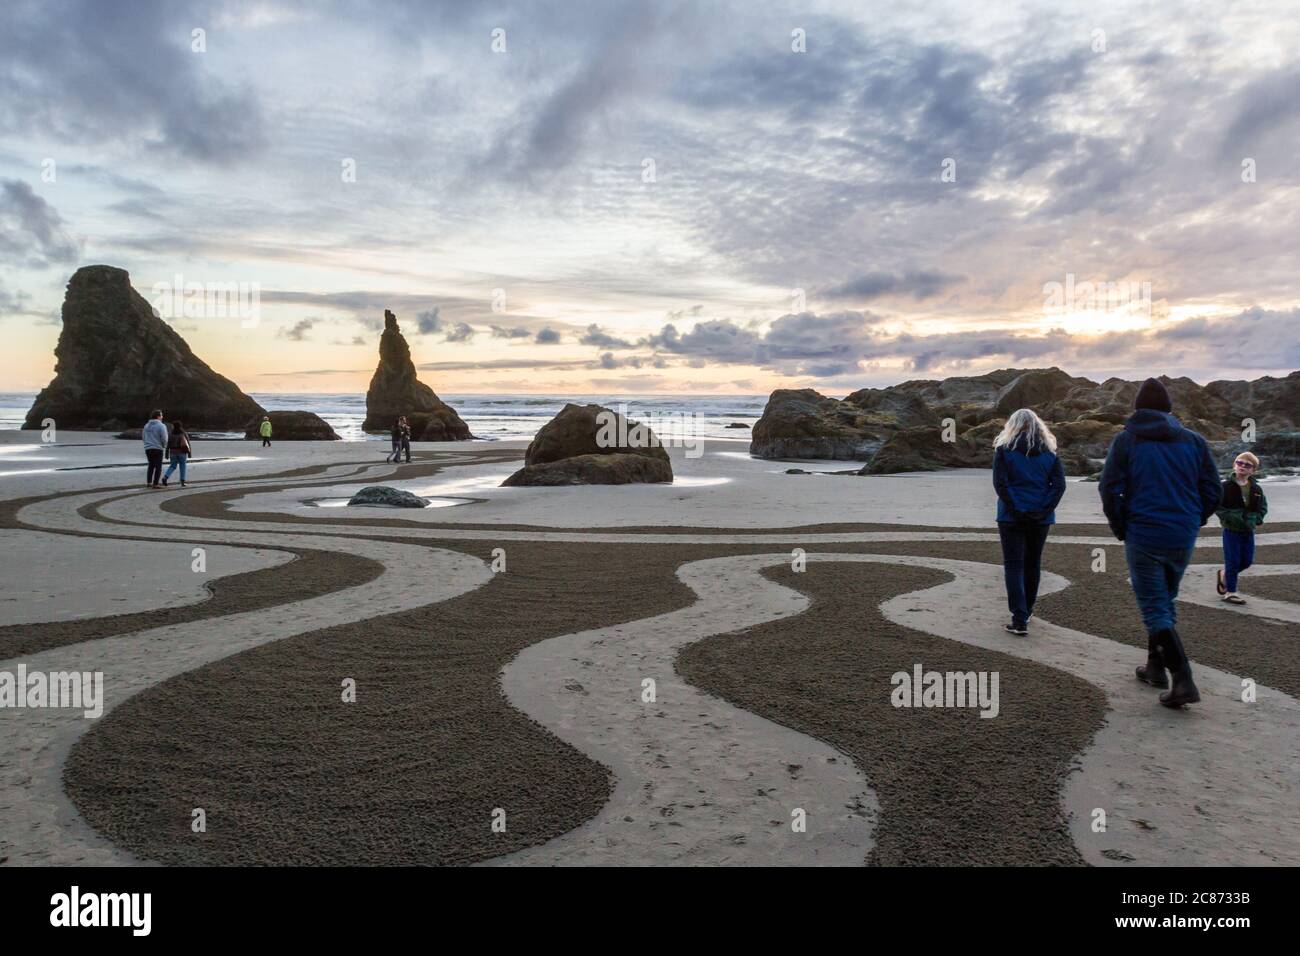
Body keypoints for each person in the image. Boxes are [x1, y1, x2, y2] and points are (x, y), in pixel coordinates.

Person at [1100, 378, 1221, 708]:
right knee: (1164, 601)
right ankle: (1155, 667)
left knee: (1155, 608)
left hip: (1144, 533)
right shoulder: (1194, 441)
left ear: (1137, 408)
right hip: (1182, 533)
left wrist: (1121, 526)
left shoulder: (1126, 440)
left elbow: (1109, 488)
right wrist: (1194, 518)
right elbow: (1213, 489)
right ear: (1168, 408)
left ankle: (1183, 680)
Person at [992, 408, 1066, 636]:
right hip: (1040, 518)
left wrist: (1016, 509)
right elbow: (1059, 486)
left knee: (1014, 565)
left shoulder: (1004, 451)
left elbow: (1000, 484)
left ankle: (1019, 617)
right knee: (1033, 563)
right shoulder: (1050, 454)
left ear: (1012, 426)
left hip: (1010, 517)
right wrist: (1043, 510)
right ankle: (1027, 611)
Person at [1216, 451, 1267, 605]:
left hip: (1248, 530)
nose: (1242, 466)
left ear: (1253, 470)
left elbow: (1262, 507)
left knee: (1246, 561)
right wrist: (1230, 518)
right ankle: (1230, 593)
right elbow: (1218, 507)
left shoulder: (1256, 489)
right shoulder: (1225, 486)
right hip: (1231, 530)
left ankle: (1224, 574)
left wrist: (1256, 519)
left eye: (1247, 465)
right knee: (1233, 561)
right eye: (1239, 463)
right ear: (1234, 465)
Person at [142, 410, 168, 489]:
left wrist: (146, 444)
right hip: (157, 448)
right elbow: (164, 438)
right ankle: (155, 483)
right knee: (158, 466)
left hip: (148, 448)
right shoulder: (161, 425)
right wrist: (164, 445)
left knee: (151, 465)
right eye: (161, 415)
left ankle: (149, 482)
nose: (162, 417)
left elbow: (143, 437)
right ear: (158, 416)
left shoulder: (146, 425)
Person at [162, 421, 192, 487]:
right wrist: (190, 453)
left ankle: (165, 477)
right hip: (182, 452)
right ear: (180, 426)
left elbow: (168, 445)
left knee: (172, 466)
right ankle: (182, 481)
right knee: (182, 466)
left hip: (173, 452)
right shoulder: (183, 434)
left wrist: (166, 454)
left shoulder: (171, 434)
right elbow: (188, 443)